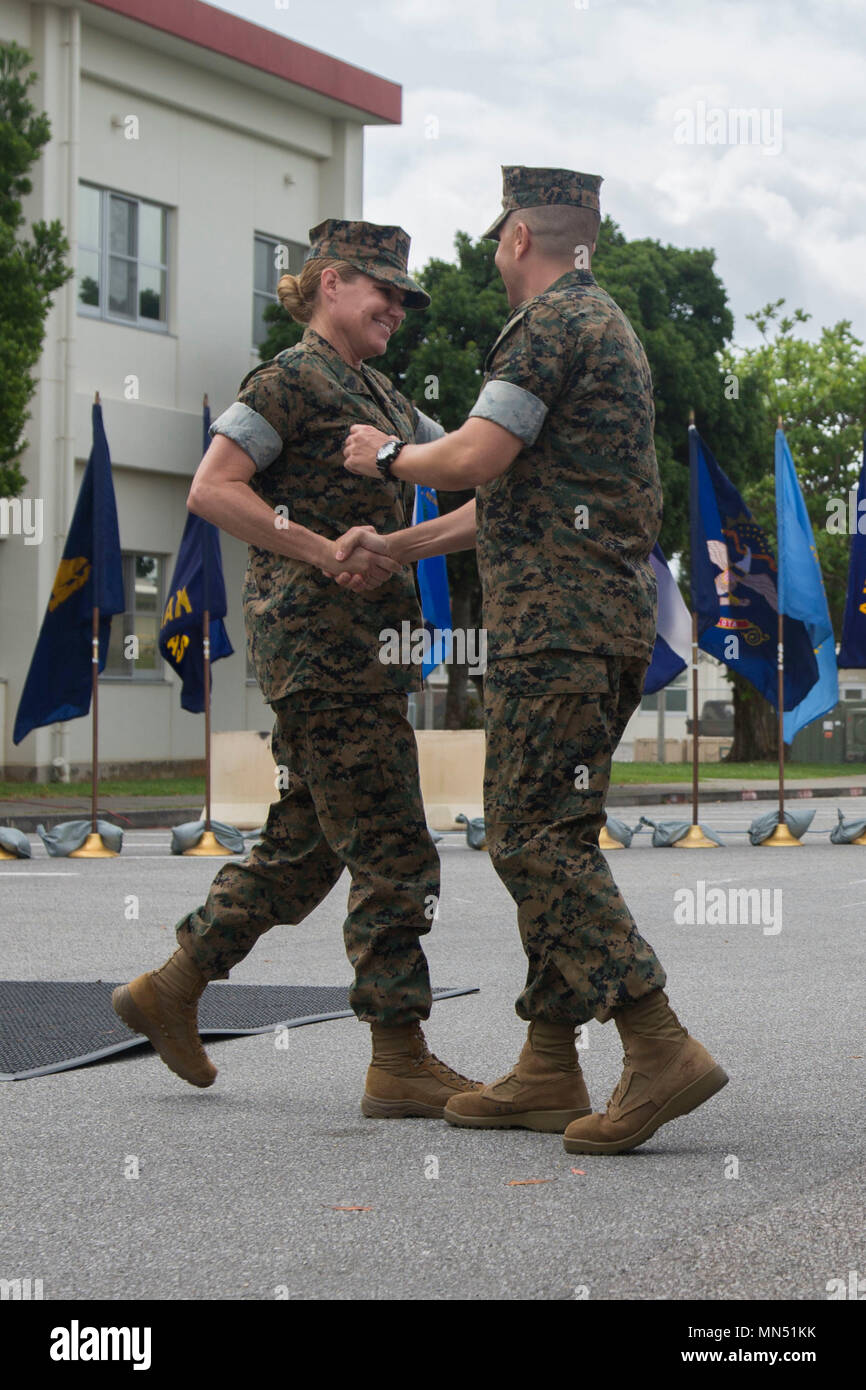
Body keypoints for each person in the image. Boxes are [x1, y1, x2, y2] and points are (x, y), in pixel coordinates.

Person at [339, 168, 728, 1154]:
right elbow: (500, 498)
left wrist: (385, 458)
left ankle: (655, 1041)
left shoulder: (550, 322)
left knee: (526, 836)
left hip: (557, 626)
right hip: (598, 620)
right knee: (555, 824)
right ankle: (549, 1064)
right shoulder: (603, 325)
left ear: (517, 236)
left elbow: (468, 455)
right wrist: (402, 545)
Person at [112, 219, 481, 1119]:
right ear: (327, 284)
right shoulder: (286, 381)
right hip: (321, 648)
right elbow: (213, 486)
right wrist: (323, 552)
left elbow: (463, 457)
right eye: (381, 289)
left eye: (403, 295)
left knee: (305, 848)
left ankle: (171, 985)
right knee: (394, 844)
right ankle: (399, 1058)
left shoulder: (388, 401)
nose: (396, 305)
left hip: (365, 652)